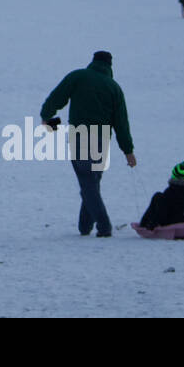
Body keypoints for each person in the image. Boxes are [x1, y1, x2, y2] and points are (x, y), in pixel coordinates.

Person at [39, 50, 137, 238]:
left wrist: (46, 116)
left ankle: (104, 225)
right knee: (91, 182)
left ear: (93, 61)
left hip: (79, 136)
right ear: (109, 66)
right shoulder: (114, 87)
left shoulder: (78, 76)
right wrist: (128, 151)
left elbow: (56, 97)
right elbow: (121, 123)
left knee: (88, 182)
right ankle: (84, 227)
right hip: (102, 140)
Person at [138, 162, 184, 230]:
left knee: (157, 196)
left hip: (171, 224)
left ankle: (144, 224)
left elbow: (161, 216)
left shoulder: (169, 193)